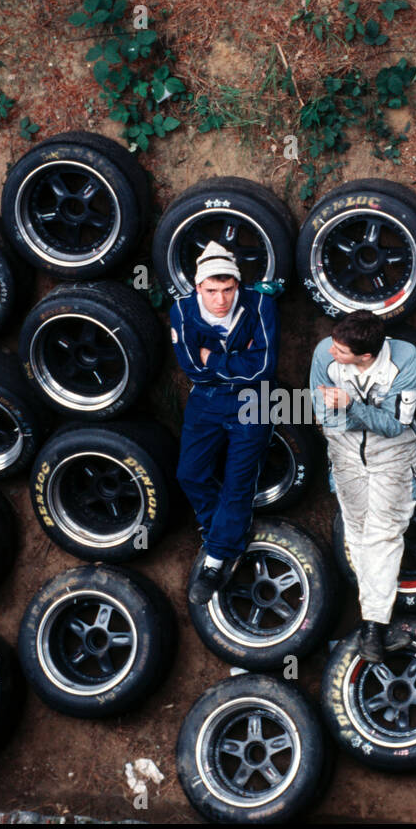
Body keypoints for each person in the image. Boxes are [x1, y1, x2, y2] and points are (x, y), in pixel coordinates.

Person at [309, 311, 416, 663]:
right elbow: (322, 414)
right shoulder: (323, 352)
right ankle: (371, 618)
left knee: (384, 534)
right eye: (335, 344)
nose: (332, 353)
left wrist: (352, 406)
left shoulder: (404, 360)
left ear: (366, 356)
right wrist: (359, 414)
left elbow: (394, 426)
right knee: (357, 532)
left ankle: (373, 626)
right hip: (343, 450)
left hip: (392, 454)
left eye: (342, 352)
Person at [171, 241, 280, 606]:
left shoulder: (261, 304)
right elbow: (191, 367)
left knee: (239, 481)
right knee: (189, 473)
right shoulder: (182, 311)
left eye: (228, 289)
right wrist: (235, 360)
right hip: (206, 400)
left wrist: (213, 359)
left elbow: (264, 367)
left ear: (239, 285)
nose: (220, 300)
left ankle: (217, 557)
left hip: (257, 401)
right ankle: (223, 529)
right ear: (197, 287)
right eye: (212, 290)